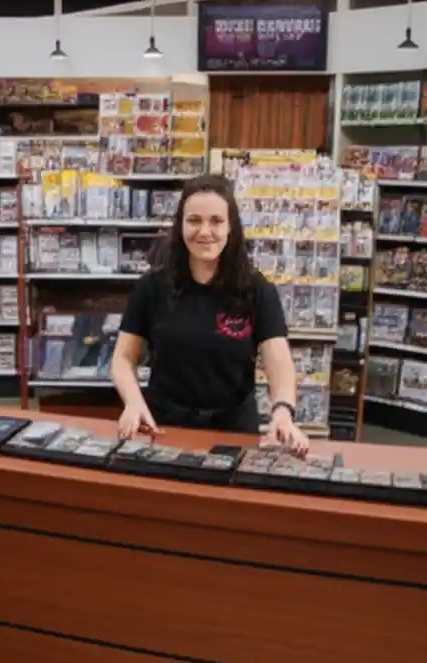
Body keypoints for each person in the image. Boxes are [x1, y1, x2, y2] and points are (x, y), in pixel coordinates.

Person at [110, 174, 310, 456]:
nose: (205, 231)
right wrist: (133, 402)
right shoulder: (152, 287)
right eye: (194, 220)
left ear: (231, 228)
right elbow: (122, 357)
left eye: (216, 221)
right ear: (180, 226)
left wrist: (282, 411)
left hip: (233, 430)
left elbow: (278, 359)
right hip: (163, 426)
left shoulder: (257, 290)